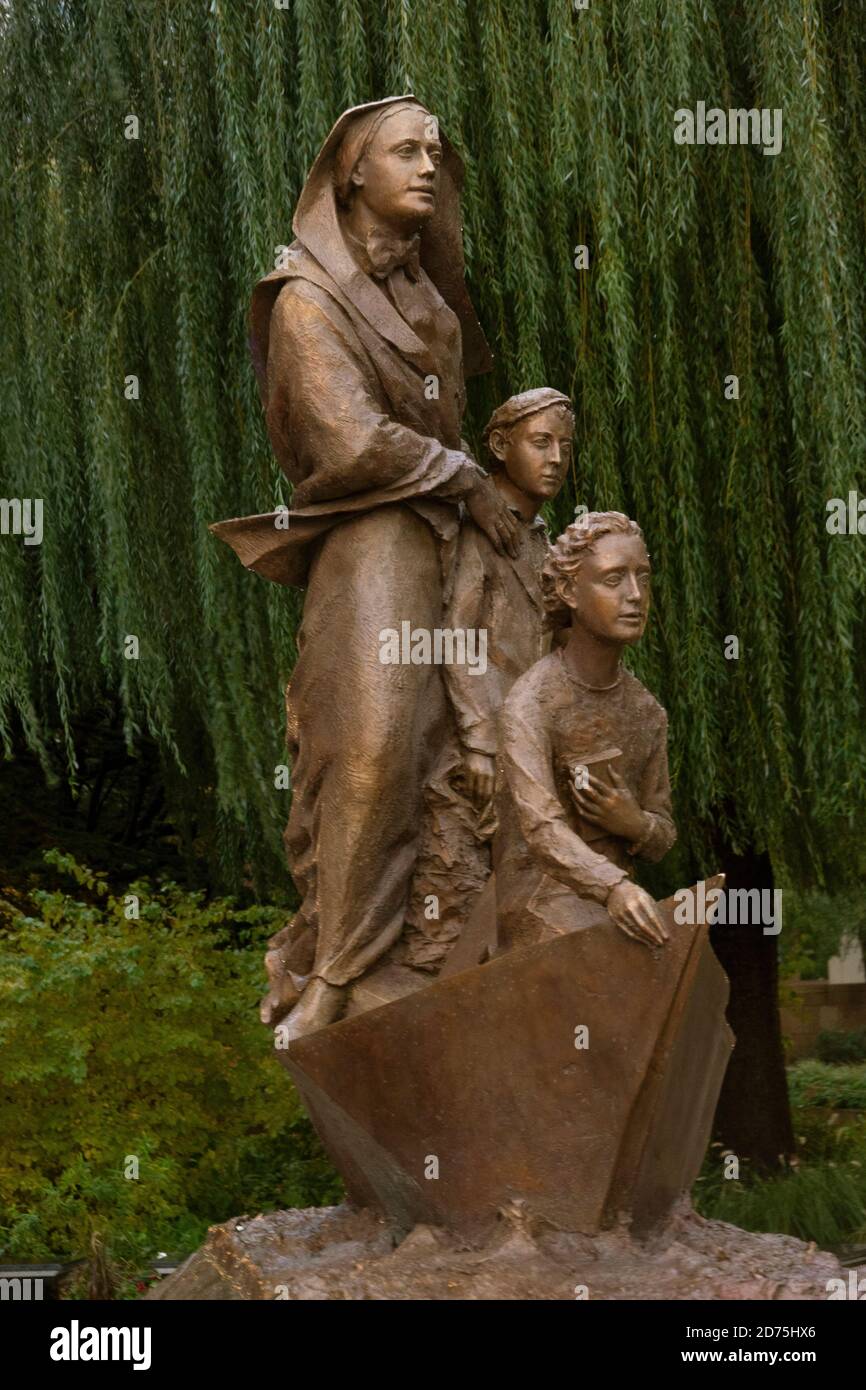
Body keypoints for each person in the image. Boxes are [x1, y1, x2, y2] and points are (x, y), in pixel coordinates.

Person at [211, 97, 518, 1039]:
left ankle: (463, 957)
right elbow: (345, 441)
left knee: (478, 750)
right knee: (375, 749)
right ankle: (335, 973)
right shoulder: (307, 299)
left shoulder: (434, 307)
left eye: (436, 150)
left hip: (444, 539)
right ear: (351, 173)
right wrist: (467, 477)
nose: (430, 165)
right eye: (406, 151)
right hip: (372, 541)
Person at [400, 387, 574, 972]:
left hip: (528, 746)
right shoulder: (477, 530)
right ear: (500, 446)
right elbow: (458, 634)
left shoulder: (546, 541)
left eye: (565, 447)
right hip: (476, 750)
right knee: (457, 902)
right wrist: (479, 739)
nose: (555, 458)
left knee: (523, 902)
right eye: (541, 442)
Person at [495, 511, 677, 952]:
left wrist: (634, 824)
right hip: (542, 900)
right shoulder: (531, 704)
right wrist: (613, 888)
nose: (635, 595)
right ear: (569, 591)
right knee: (619, 966)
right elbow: (541, 830)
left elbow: (663, 834)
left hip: (616, 900)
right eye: (613, 580)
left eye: (643, 578)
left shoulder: (646, 711)